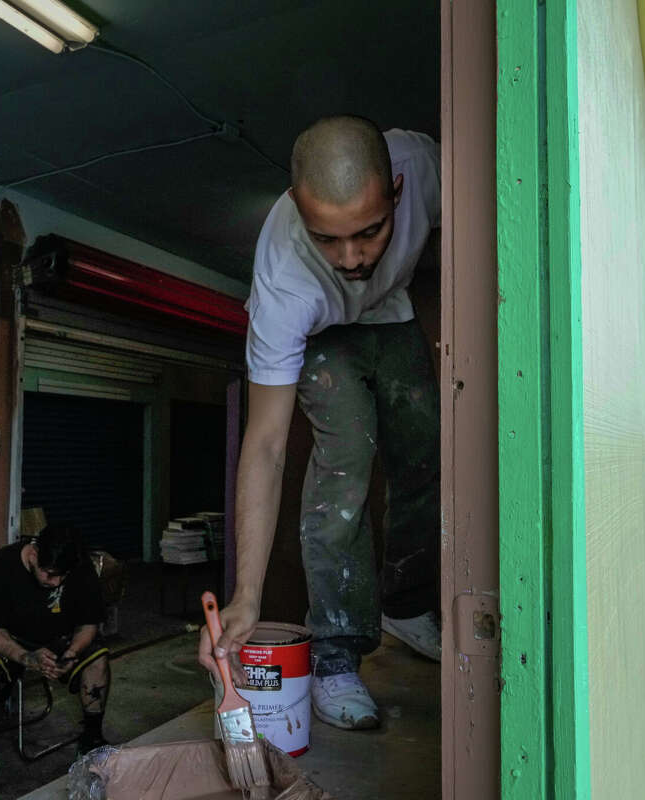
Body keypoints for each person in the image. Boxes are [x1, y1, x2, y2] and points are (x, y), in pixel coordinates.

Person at [199, 115, 441, 732]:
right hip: (323, 333)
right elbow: (266, 445)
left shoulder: (425, 164)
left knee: (427, 444)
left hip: (393, 315)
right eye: (326, 240)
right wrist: (247, 596)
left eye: (369, 232)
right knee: (344, 465)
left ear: (398, 191)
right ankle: (335, 655)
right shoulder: (282, 286)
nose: (351, 258)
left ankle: (406, 604)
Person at [0, 525, 110, 800]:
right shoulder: (0, 565)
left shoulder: (79, 566)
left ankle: (92, 739)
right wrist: (26, 657)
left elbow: (89, 624)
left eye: (62, 576)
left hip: (61, 639)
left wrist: (72, 652)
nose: (56, 582)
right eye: (49, 574)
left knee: (98, 660)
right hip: (12, 639)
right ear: (34, 555)